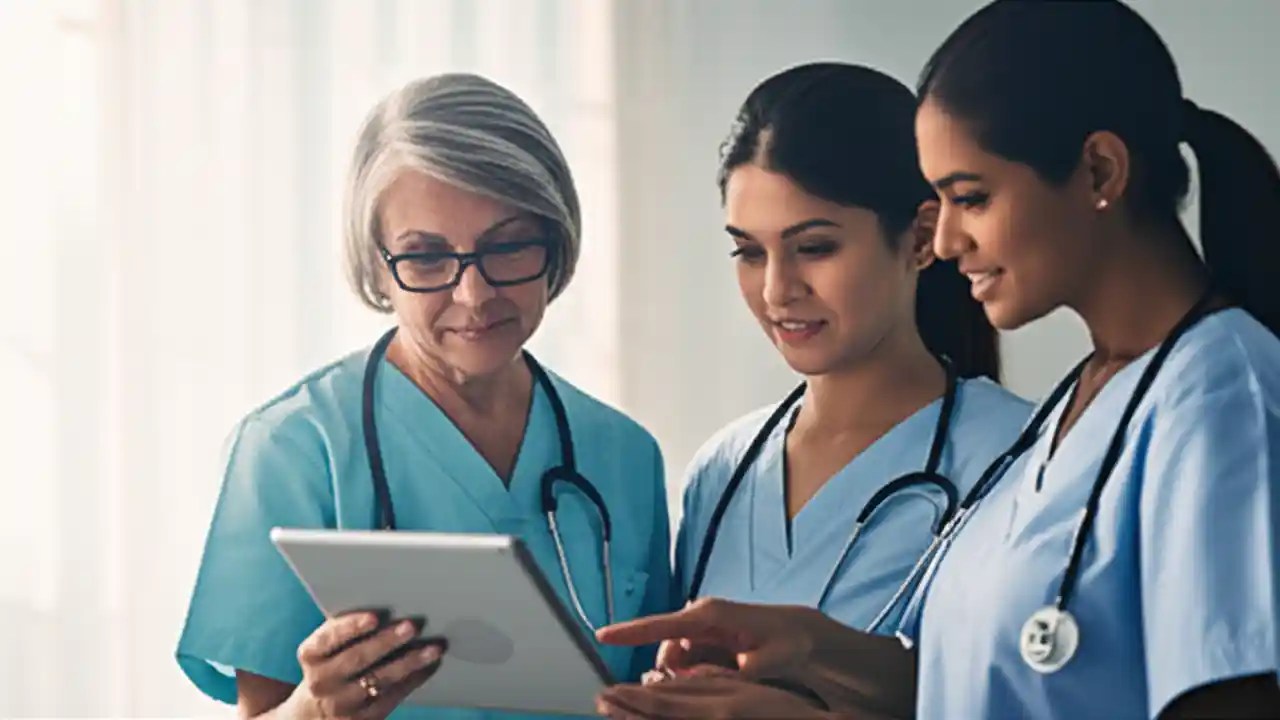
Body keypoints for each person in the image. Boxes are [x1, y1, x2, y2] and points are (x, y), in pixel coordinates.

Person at [594, 1, 1280, 718]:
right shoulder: (1081, 406)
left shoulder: (1221, 397)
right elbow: (980, 680)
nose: (947, 243)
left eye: (972, 198)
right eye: (748, 250)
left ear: (1099, 171)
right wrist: (809, 645)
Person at [175, 73, 674, 720]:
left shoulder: (623, 456)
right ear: (377, 267)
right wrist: (313, 712)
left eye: (507, 246)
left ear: (555, 244)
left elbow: (658, 690)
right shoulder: (293, 450)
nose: (474, 294)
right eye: (426, 258)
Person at [668, 62, 1031, 649]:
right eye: (750, 253)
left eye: (814, 247)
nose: (776, 291)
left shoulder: (1019, 456)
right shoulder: (723, 471)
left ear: (920, 239)